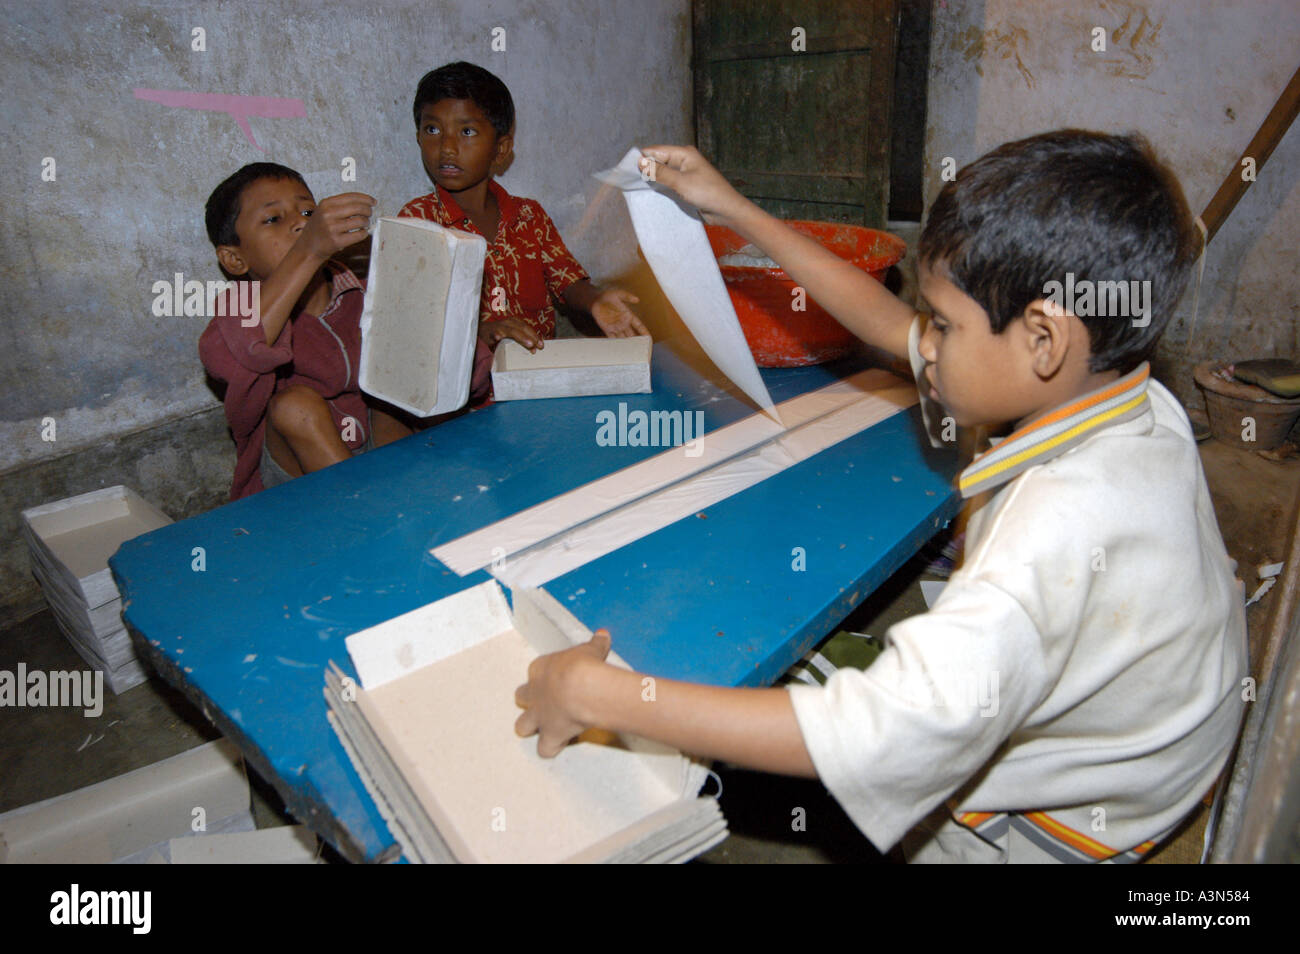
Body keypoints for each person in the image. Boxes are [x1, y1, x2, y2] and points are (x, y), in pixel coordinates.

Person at [514, 132, 1248, 863]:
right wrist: (726, 207)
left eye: (946, 324)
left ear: (1045, 344)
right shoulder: (1133, 395)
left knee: (828, 744)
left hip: (1069, 830)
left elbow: (879, 739)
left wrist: (602, 697)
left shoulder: (1052, 530)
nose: (922, 344)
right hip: (1164, 756)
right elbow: (888, 323)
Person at [398, 61, 648, 401]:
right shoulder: (417, 223)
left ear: (501, 149)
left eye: (467, 132)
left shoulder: (529, 216)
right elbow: (412, 332)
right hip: (464, 403)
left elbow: (567, 281)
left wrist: (596, 301)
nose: (447, 147)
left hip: (540, 386)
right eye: (432, 130)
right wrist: (481, 335)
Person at [200, 163, 410, 499]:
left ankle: (402, 499)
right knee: (294, 406)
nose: (301, 223)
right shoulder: (240, 307)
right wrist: (308, 251)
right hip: (294, 478)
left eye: (308, 211)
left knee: (392, 390)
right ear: (235, 260)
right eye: (273, 219)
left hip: (371, 449)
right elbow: (226, 358)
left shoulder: (362, 291)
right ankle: (372, 515)